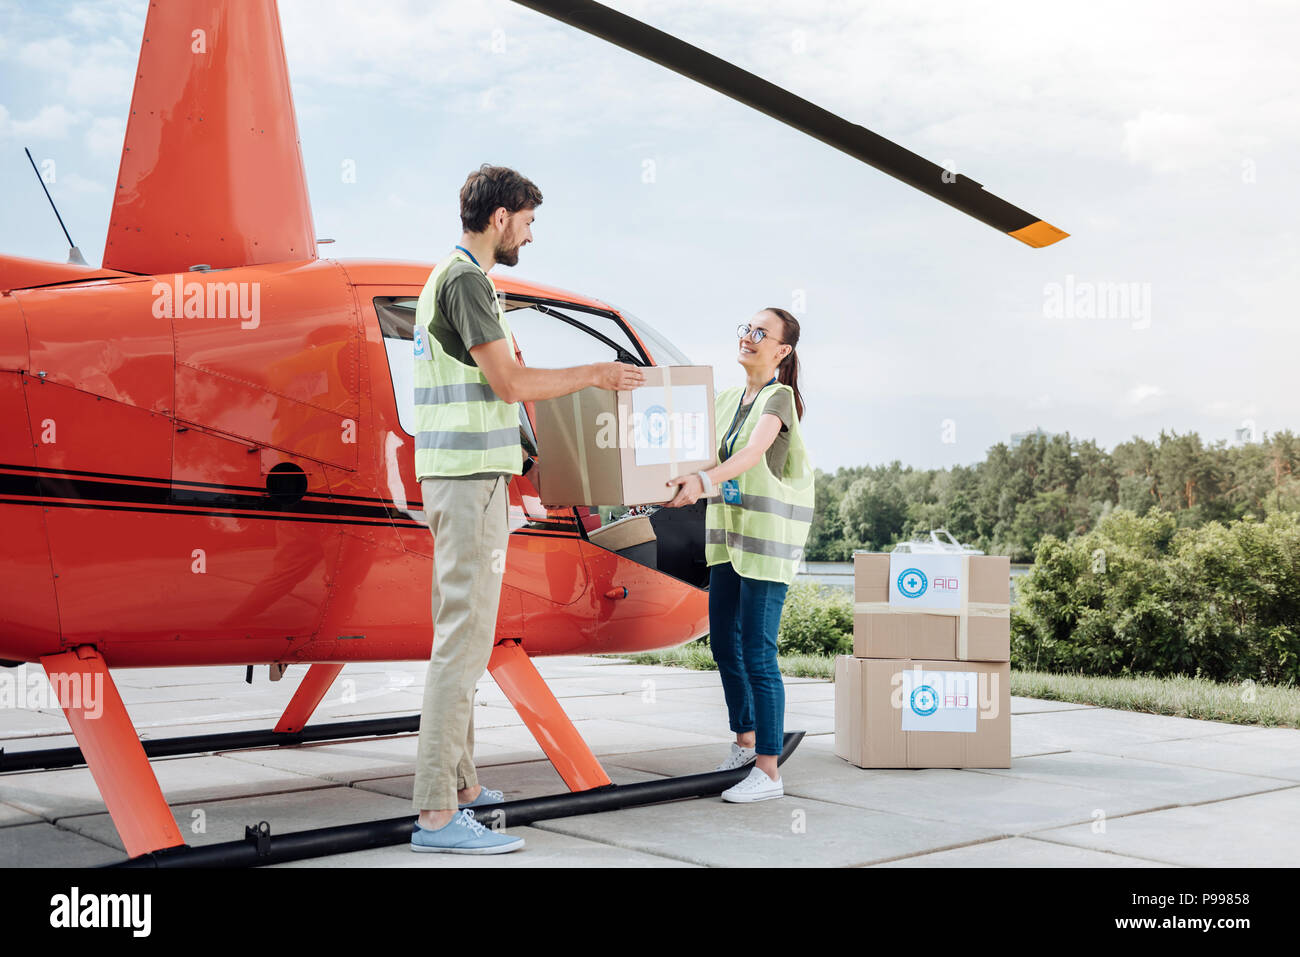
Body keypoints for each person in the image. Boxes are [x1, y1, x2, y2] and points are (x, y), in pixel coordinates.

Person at [410, 165, 644, 853]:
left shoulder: (448, 280)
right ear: (502, 216)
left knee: (467, 633)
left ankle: (462, 787)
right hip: (467, 478)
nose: (531, 236)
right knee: (463, 639)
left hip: (465, 476)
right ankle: (434, 814)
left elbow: (489, 389)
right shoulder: (467, 281)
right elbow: (509, 383)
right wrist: (599, 374)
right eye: (530, 221)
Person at [664, 307, 813, 803]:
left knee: (757, 652)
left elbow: (748, 455)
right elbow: (706, 455)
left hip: (766, 544)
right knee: (723, 645)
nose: (749, 338)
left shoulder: (779, 397)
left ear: (781, 351)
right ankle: (745, 744)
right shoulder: (729, 399)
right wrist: (669, 482)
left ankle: (769, 773)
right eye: (746, 330)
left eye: (761, 333)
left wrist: (704, 480)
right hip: (727, 538)